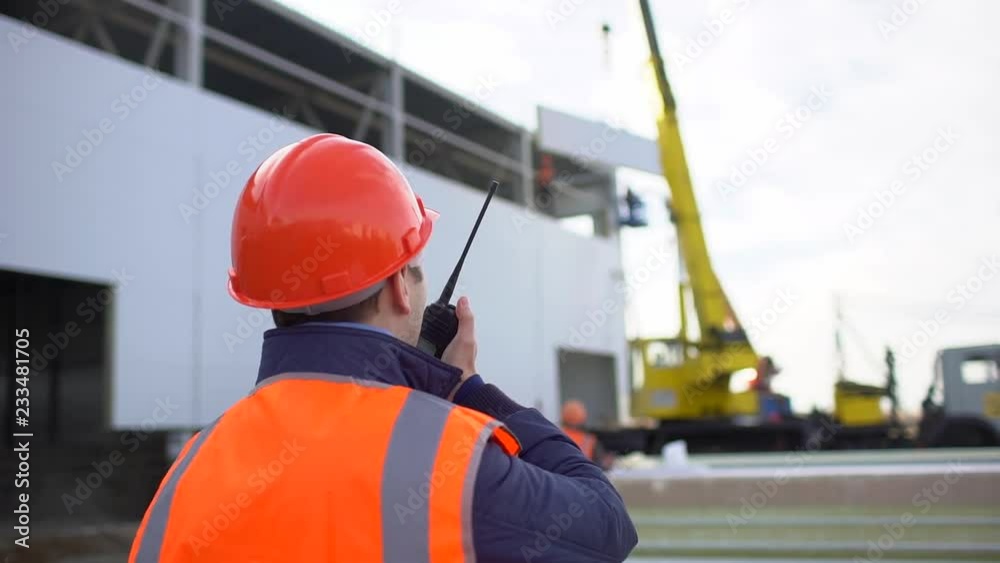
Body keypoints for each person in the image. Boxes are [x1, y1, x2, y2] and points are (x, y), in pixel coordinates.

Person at [128, 134, 637, 562]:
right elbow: (608, 524)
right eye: (416, 272)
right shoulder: (447, 459)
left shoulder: (188, 472)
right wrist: (471, 390)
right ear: (398, 286)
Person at [561, 399, 614, 470]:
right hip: (582, 476)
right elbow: (600, 466)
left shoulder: (558, 435)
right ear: (583, 417)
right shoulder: (589, 440)